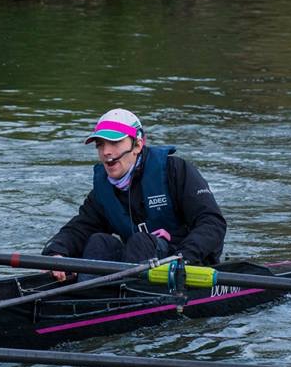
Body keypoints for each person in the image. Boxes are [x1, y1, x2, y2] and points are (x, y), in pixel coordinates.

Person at [42, 108, 226, 280]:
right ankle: (90, 295)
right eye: (100, 145)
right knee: (99, 242)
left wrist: (183, 257)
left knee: (140, 242)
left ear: (137, 145)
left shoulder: (175, 171)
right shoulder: (103, 192)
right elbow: (80, 229)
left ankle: (126, 294)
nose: (106, 152)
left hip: (184, 262)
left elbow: (212, 223)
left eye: (114, 142)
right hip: (138, 261)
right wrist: (56, 252)